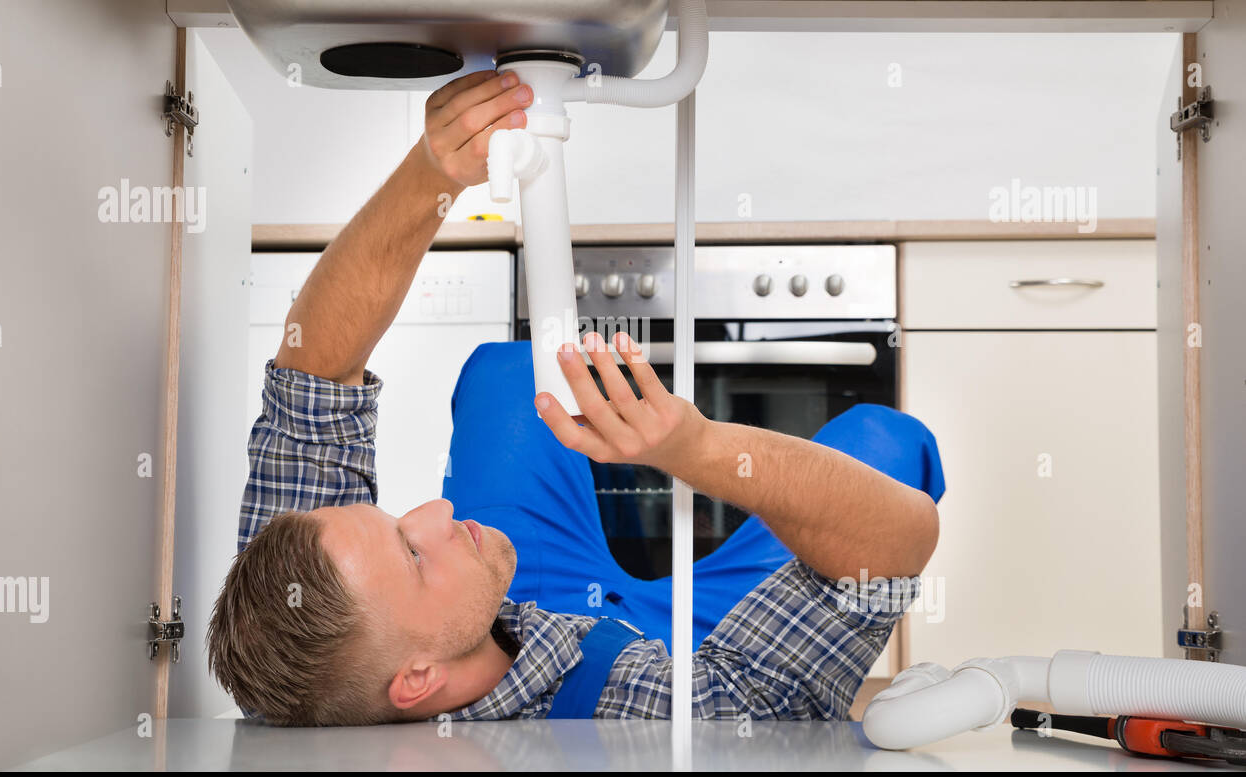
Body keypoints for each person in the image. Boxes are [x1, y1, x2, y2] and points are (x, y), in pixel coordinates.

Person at [207, 70, 942, 726]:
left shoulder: (295, 646)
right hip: (700, 648)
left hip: (514, 590)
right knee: (887, 443)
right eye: (411, 550)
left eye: (395, 520)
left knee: (511, 377)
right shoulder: (666, 711)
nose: (433, 512)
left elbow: (313, 378)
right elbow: (897, 547)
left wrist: (435, 168)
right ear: (417, 678)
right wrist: (693, 448)